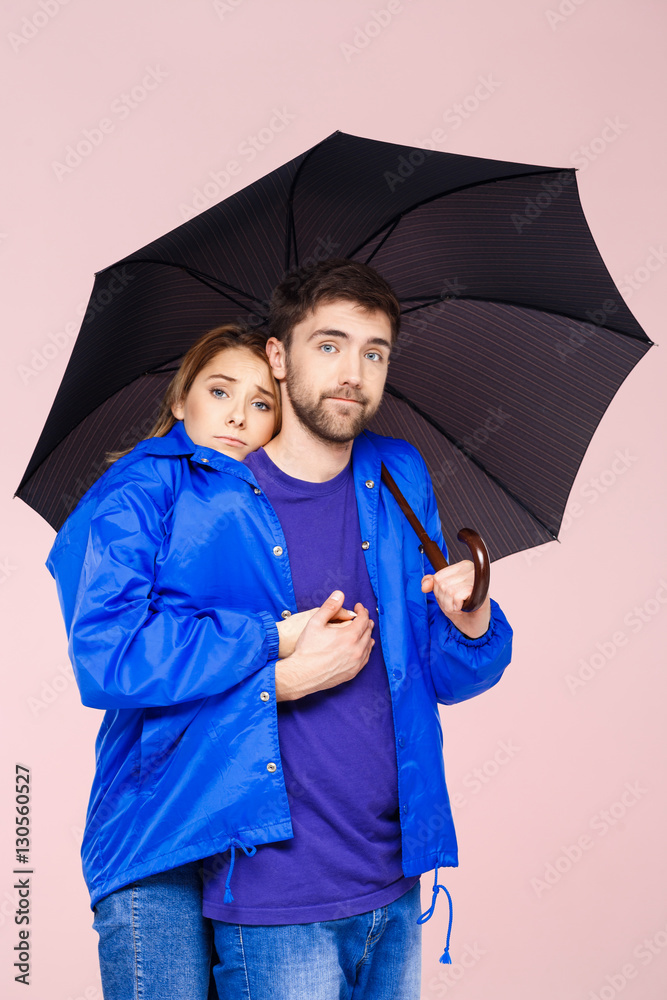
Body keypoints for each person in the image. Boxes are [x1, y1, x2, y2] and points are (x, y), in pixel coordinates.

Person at [198, 259, 513, 998]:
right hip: (275, 898)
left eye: (374, 352)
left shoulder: (398, 474)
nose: (353, 373)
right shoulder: (214, 499)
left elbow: (446, 677)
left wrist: (470, 617)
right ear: (278, 356)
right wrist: (287, 668)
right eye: (329, 345)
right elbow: (175, 690)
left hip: (395, 879)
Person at [46, 323, 353, 997]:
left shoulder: (271, 507)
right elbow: (109, 655)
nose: (239, 415)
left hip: (257, 828)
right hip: (157, 823)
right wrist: (272, 641)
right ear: (181, 398)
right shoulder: (137, 490)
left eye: (262, 402)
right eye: (219, 391)